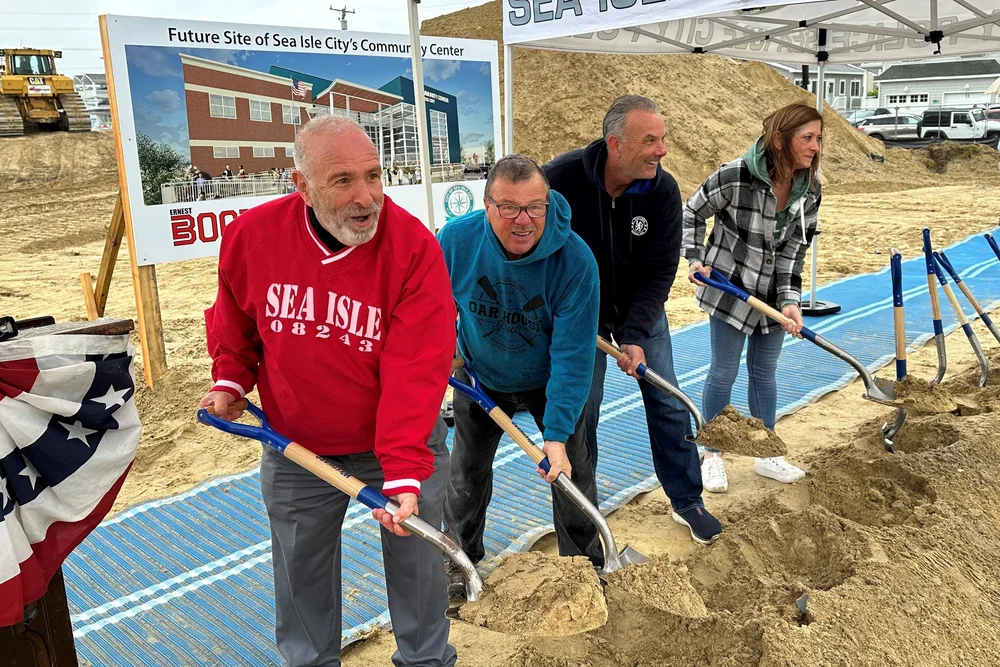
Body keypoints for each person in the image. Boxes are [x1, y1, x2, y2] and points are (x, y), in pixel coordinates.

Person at [199, 115, 458, 667]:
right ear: (303, 186)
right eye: (343, 181)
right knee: (301, 572)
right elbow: (235, 324)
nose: (366, 197)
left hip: (398, 442)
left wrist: (404, 469)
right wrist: (229, 379)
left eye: (374, 176)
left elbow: (417, 369)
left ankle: (425, 661)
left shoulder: (413, 249)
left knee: (417, 564)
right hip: (299, 446)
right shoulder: (254, 238)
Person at [544, 95, 722, 545]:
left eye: (662, 139)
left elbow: (660, 269)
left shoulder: (662, 191)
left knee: (667, 400)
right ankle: (584, 530)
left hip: (640, 310)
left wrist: (636, 333)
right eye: (650, 140)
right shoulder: (559, 180)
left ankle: (688, 500)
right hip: (576, 314)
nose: (662, 150)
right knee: (580, 416)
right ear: (615, 144)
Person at [437, 155, 603, 593]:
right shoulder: (455, 242)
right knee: (465, 474)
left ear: (548, 203)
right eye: (508, 207)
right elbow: (433, 309)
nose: (523, 220)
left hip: (550, 381)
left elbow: (572, 354)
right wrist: (445, 351)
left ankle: (583, 567)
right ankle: (458, 559)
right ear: (486, 204)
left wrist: (558, 433)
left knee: (571, 470)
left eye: (534, 206)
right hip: (480, 376)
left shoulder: (575, 261)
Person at [683, 102, 821, 494]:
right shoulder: (735, 175)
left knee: (764, 373)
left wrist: (790, 300)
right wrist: (695, 260)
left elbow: (795, 250)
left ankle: (766, 452)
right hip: (729, 290)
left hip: (772, 297)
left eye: (818, 139)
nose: (815, 147)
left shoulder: (808, 189)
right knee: (723, 371)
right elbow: (691, 213)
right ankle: (712, 452)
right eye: (806, 138)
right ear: (780, 139)